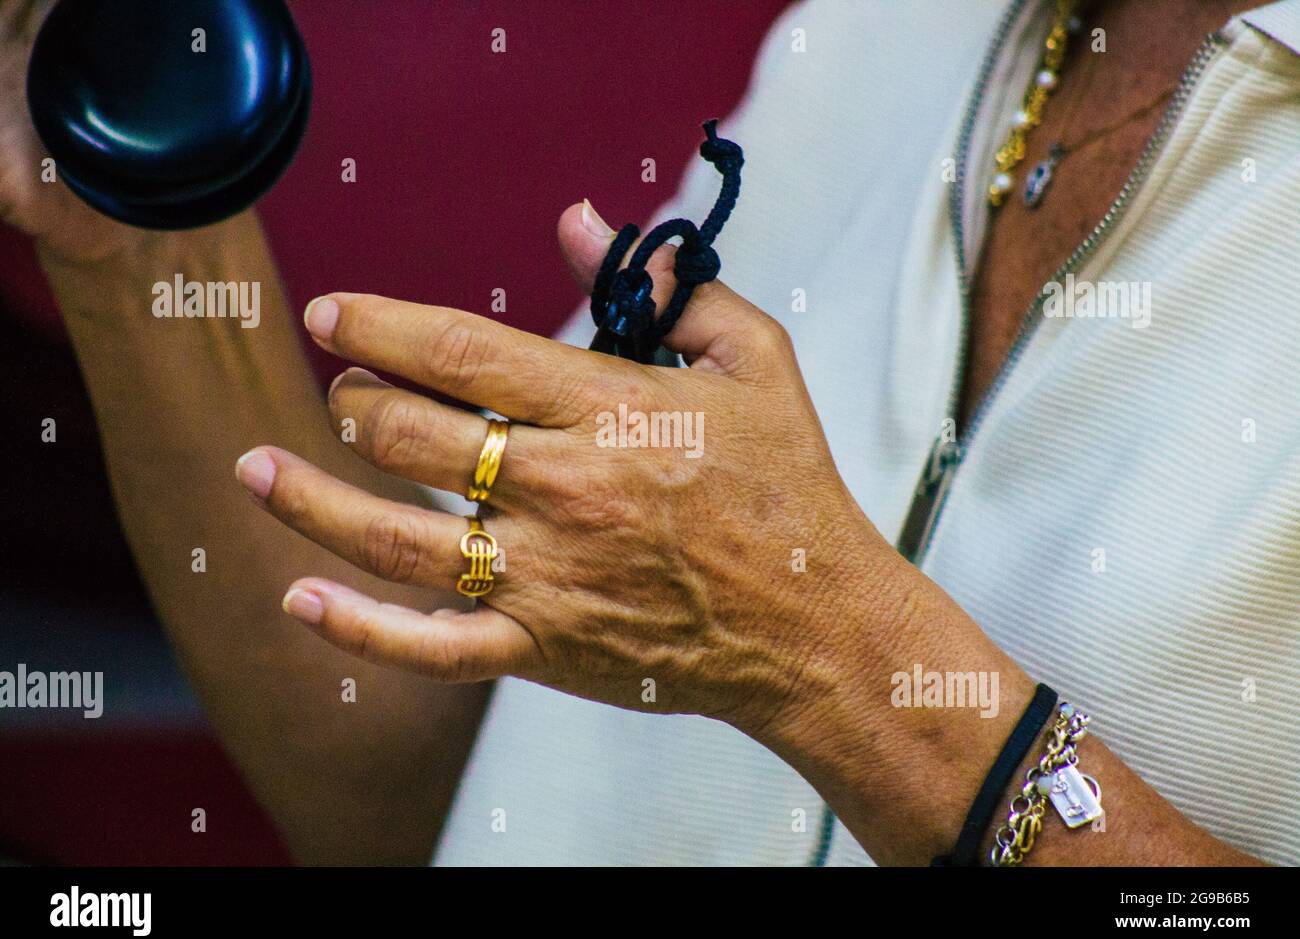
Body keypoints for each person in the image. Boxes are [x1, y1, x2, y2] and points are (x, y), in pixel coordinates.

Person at [6, 0, 1298, 866]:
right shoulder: (885, 27)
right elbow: (425, 769)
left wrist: (832, 662)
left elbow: (779, 633)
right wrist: (136, 226)